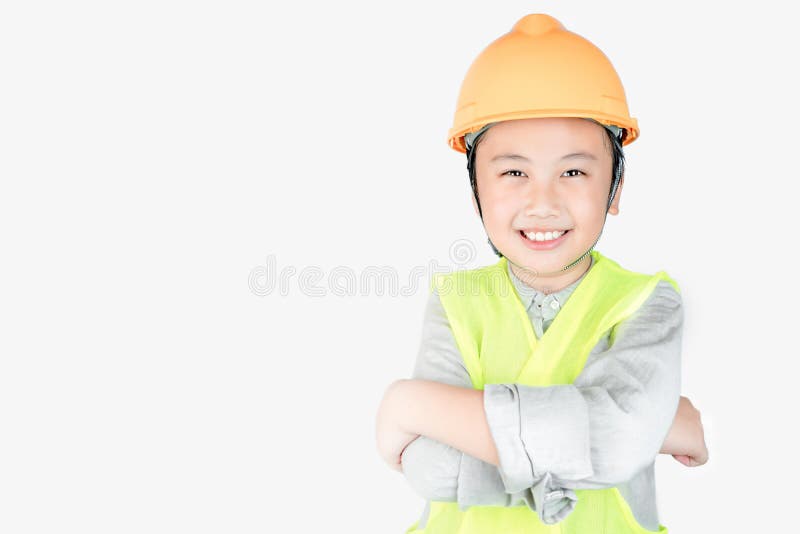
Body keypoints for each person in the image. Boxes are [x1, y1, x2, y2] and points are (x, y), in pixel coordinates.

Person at [375, 13, 708, 534]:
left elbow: (619, 445)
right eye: (513, 172)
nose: (543, 201)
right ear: (476, 195)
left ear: (615, 189)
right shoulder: (455, 300)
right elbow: (432, 467)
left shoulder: (648, 302)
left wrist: (411, 404)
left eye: (573, 171)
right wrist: (655, 425)